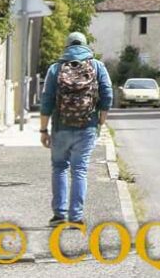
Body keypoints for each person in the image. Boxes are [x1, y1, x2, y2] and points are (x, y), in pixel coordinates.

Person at [37, 32, 113, 227]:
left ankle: (59, 215)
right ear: (86, 46)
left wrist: (43, 130)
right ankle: (76, 217)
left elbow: (46, 100)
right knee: (79, 170)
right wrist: (101, 120)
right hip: (87, 125)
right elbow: (107, 93)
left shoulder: (56, 68)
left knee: (60, 168)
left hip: (61, 126)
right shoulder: (97, 66)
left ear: (66, 46)